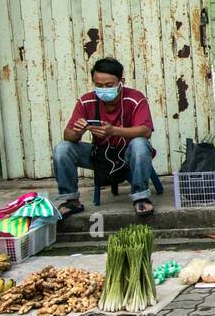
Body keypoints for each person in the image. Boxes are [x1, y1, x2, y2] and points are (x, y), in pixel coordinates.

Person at [53, 58, 156, 218]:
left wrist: (113, 131)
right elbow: (68, 135)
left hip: (129, 154)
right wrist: (78, 131)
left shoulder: (135, 98)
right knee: (62, 148)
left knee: (140, 144)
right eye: (99, 85)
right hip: (99, 156)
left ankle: (140, 197)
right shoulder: (86, 100)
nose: (103, 89)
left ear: (121, 81)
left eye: (109, 85)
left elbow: (145, 131)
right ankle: (71, 200)